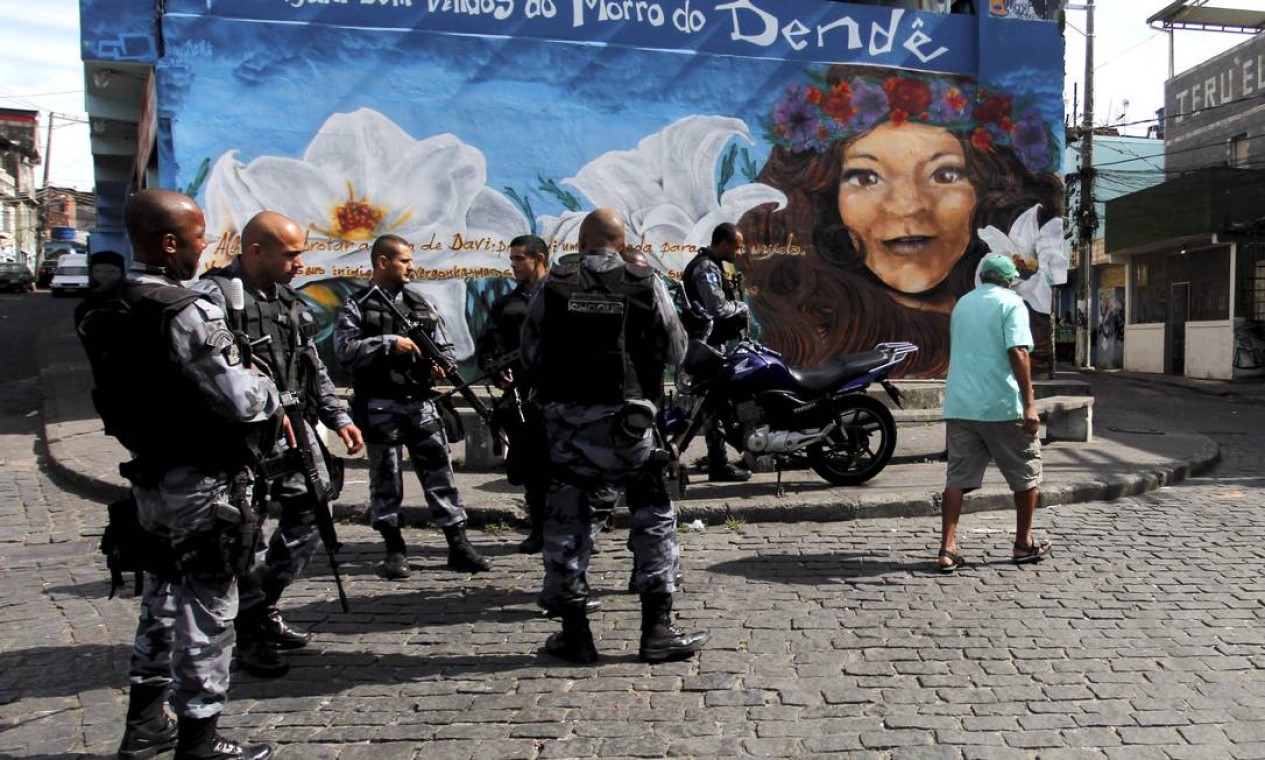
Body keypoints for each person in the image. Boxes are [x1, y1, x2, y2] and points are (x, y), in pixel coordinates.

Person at [75, 189, 278, 759]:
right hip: (204, 481)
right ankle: (200, 738)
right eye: (196, 238)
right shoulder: (185, 309)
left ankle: (144, 724)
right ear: (169, 242)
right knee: (210, 608)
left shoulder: (100, 308)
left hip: (149, 477)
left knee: (160, 597)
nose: (202, 248)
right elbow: (243, 401)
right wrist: (268, 386)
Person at [740, 65, 1064, 378]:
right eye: (866, 177)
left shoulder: (999, 310)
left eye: (944, 174)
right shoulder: (797, 327)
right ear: (828, 197)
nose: (908, 207)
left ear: (982, 194)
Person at [521, 207, 708, 665]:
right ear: (622, 245)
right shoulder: (645, 283)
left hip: (567, 427)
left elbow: (530, 352)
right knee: (653, 517)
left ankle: (575, 635)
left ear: (581, 243)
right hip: (631, 425)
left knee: (567, 522)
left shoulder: (553, 284)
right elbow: (679, 349)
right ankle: (657, 630)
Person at [192, 211, 365, 678]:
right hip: (242, 439)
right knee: (246, 532)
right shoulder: (213, 299)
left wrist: (337, 415)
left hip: (294, 429)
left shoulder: (289, 302)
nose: (300, 262)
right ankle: (248, 628)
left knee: (314, 510)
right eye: (291, 254)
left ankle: (262, 602)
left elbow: (313, 366)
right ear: (255, 251)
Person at [332, 233, 491, 579]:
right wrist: (390, 343)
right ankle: (393, 548)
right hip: (380, 404)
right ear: (383, 262)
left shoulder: (421, 303)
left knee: (440, 473)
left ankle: (458, 544)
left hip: (420, 402)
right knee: (386, 477)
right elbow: (344, 350)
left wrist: (441, 365)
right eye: (404, 260)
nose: (411, 266)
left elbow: (445, 348)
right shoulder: (357, 305)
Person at [936, 254, 1050, 573]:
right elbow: (1018, 350)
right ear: (1010, 279)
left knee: (957, 478)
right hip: (1000, 405)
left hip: (961, 404)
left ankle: (947, 548)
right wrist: (1029, 403)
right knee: (1025, 474)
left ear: (983, 277)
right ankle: (1023, 544)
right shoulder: (1011, 303)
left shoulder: (962, 305)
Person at [476, 234, 551, 554]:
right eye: (512, 260)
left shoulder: (562, 294)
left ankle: (575, 528)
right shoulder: (507, 305)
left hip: (560, 392)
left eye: (520, 259)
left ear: (539, 258)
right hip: (522, 396)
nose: (514, 266)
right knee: (532, 467)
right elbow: (489, 346)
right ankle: (539, 529)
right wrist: (497, 369)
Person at [681, 222, 752, 482]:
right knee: (713, 407)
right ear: (722, 243)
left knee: (714, 407)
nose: (738, 251)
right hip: (708, 349)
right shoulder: (705, 268)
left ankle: (719, 459)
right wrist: (741, 308)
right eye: (736, 245)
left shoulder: (711, 265)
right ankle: (718, 463)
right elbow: (717, 307)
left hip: (709, 347)